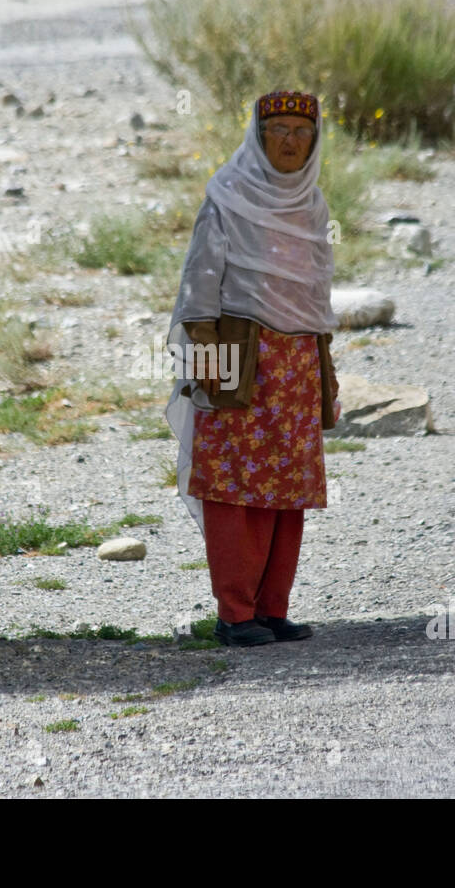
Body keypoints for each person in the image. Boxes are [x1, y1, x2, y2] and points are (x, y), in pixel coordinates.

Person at [164, 89, 340, 647]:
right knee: (232, 489)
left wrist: (325, 369)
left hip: (297, 364)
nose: (290, 141)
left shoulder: (313, 207)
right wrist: (206, 355)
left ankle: (272, 609)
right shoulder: (227, 197)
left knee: (288, 489)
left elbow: (316, 296)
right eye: (279, 129)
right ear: (258, 137)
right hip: (238, 357)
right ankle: (234, 613)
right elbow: (199, 284)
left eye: (302, 131)